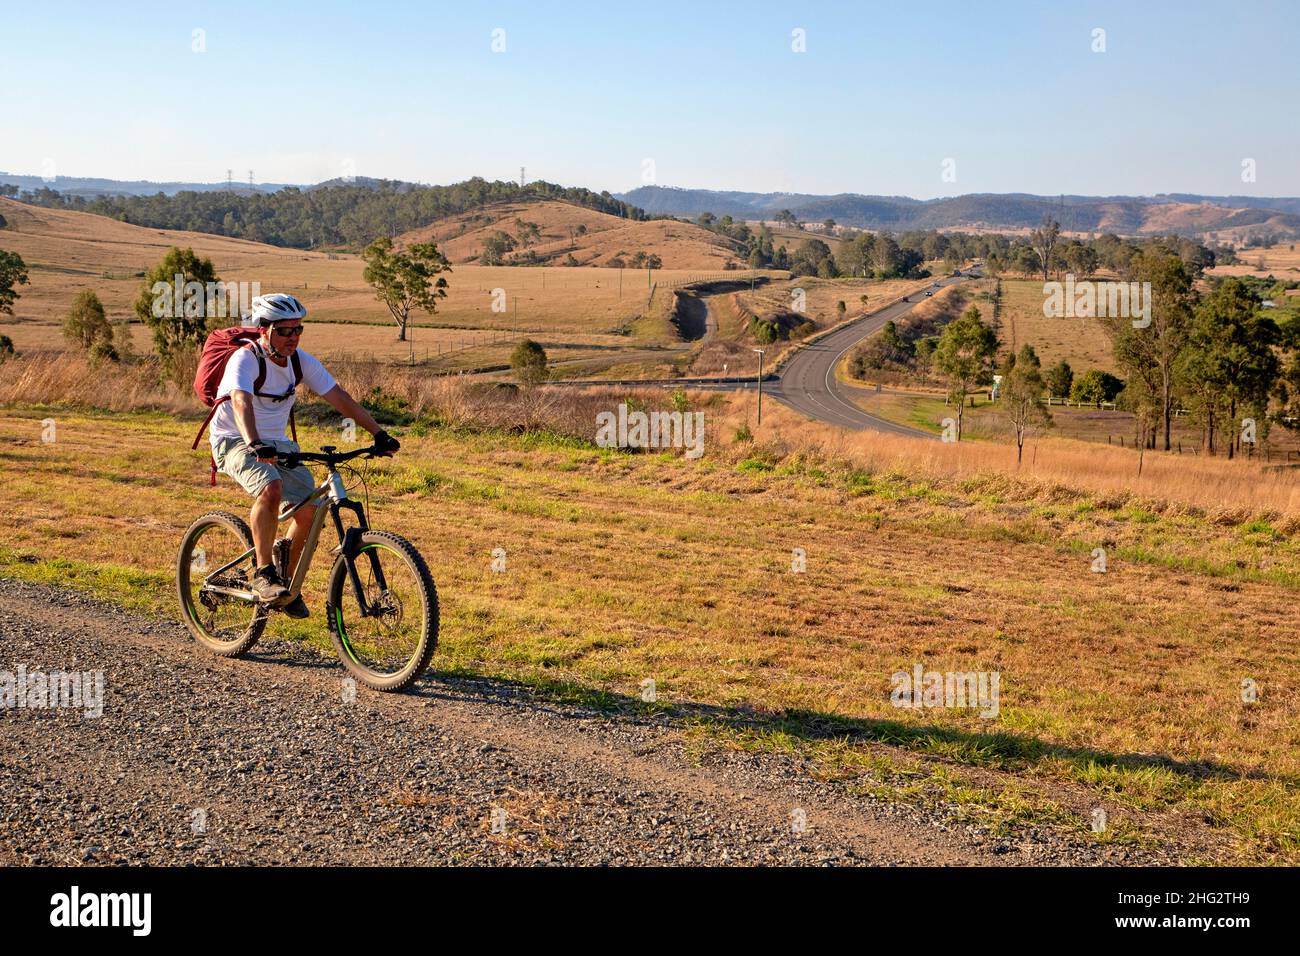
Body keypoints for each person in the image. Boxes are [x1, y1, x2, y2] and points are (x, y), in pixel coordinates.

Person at [208, 293, 399, 617]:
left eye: (298, 330)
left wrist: (378, 433)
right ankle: (264, 573)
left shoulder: (301, 361)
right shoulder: (246, 359)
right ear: (264, 329)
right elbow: (241, 401)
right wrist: (254, 443)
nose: (292, 337)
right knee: (271, 487)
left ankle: (285, 584)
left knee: (310, 511)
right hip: (235, 438)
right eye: (284, 331)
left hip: (277, 443)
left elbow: (340, 397)